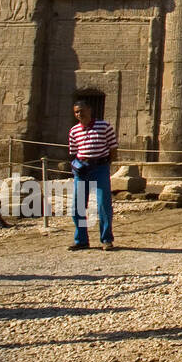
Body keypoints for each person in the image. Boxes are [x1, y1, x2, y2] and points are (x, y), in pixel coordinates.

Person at [67, 100, 117, 251]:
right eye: (76, 112)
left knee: (103, 204)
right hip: (82, 169)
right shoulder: (74, 130)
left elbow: (113, 148)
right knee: (78, 206)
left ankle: (106, 239)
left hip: (100, 167)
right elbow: (73, 152)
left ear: (89, 110)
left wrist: (105, 163)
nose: (79, 114)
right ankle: (81, 239)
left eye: (82, 111)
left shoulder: (104, 126)